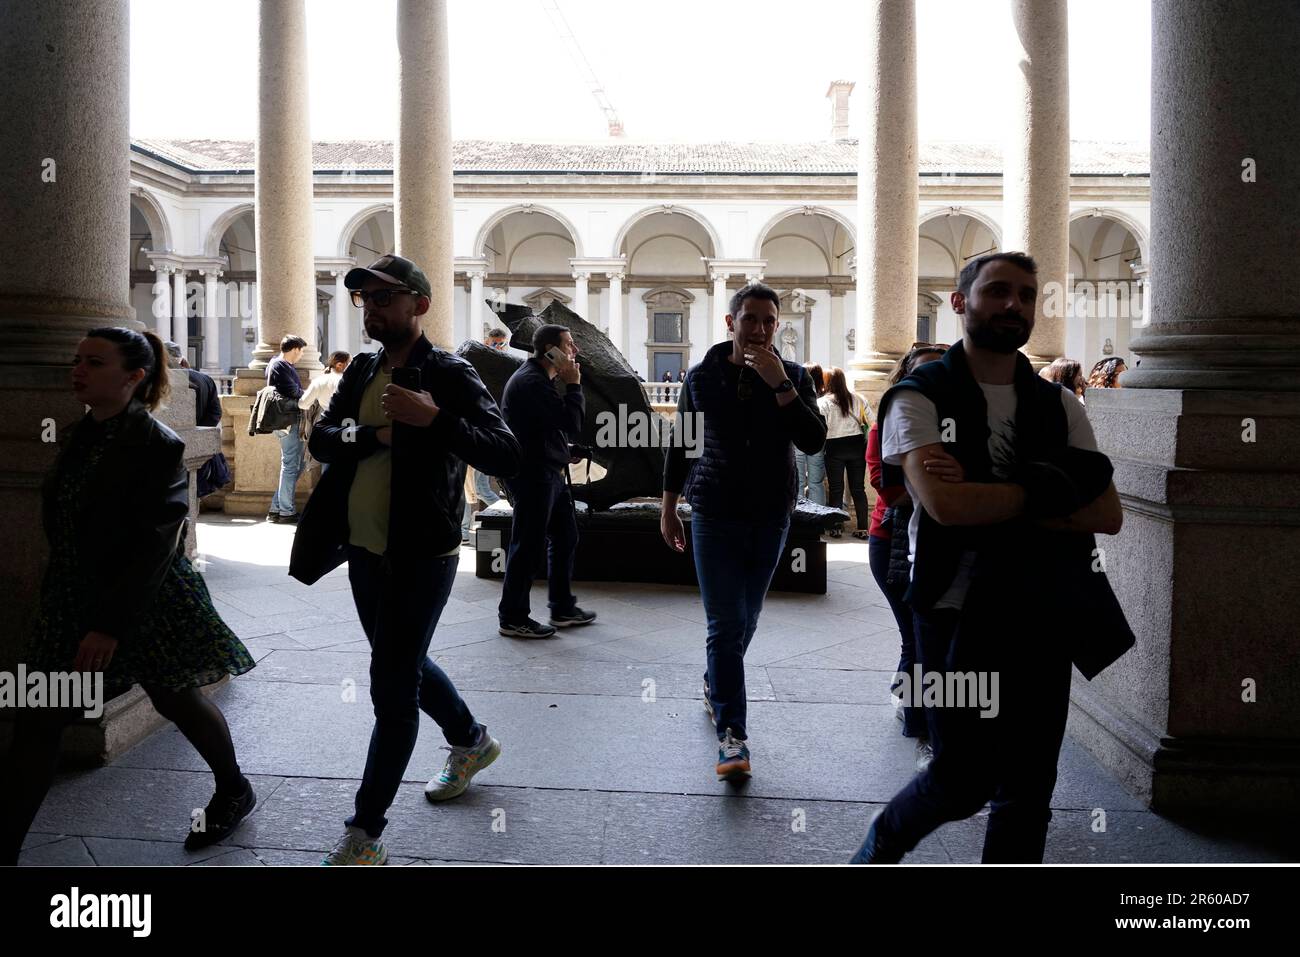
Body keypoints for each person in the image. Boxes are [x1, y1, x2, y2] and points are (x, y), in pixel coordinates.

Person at [851, 252, 1122, 865]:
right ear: (958, 302)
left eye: (1026, 295)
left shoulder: (1060, 405)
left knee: (1029, 790)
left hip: (1043, 612)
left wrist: (988, 490)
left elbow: (1107, 513)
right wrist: (1047, 488)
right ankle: (881, 843)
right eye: (998, 291)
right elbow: (946, 506)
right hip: (953, 612)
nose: (1014, 306)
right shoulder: (915, 396)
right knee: (962, 778)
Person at [289, 254, 522, 866]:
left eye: (385, 298)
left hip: (424, 552)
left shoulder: (449, 372)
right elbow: (321, 437)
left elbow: (506, 452)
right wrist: (379, 436)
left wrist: (436, 419)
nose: (372, 308)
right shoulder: (362, 369)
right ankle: (470, 740)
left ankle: (364, 835)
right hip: (363, 550)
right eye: (365, 299)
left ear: (419, 305)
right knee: (402, 661)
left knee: (391, 689)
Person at [1, 327, 256, 865]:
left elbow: (155, 545)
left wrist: (110, 625)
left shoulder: (157, 444)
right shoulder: (77, 432)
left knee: (175, 697)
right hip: (74, 597)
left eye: (93, 362)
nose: (77, 370)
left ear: (134, 376)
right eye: (77, 359)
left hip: (145, 602)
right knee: (39, 715)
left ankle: (233, 788)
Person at [661, 282, 827, 782]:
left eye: (768, 321)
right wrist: (669, 507)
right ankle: (733, 735)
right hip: (713, 510)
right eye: (749, 319)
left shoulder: (794, 375)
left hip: (771, 513)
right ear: (730, 322)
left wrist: (782, 385)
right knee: (726, 625)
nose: (758, 329)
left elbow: (813, 438)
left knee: (747, 617)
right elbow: (682, 444)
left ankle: (716, 684)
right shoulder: (702, 375)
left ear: (777, 326)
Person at [866, 344, 953, 771]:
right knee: (916, 637)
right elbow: (891, 489)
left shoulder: (957, 425)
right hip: (892, 543)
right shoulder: (888, 423)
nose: (931, 383)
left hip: (941, 541)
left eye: (940, 374)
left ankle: (909, 701)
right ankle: (922, 732)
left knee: (925, 640)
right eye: (922, 374)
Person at [496, 324, 597, 638]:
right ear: (551, 350)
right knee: (527, 545)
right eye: (569, 344)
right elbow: (570, 421)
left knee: (565, 536)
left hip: (547, 471)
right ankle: (512, 616)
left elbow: (540, 428)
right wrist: (575, 385)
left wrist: (563, 451)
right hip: (533, 476)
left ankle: (562, 607)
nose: (574, 351)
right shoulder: (532, 382)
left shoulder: (537, 379)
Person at [164, 341, 230, 497]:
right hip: (197, 444)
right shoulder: (205, 379)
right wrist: (199, 430)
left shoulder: (164, 381)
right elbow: (215, 412)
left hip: (171, 444)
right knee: (194, 493)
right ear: (180, 358)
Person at [819, 367, 873, 539]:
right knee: (858, 489)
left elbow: (821, 428)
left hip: (834, 447)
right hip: (857, 446)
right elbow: (872, 422)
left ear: (827, 382)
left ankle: (836, 527)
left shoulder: (823, 402)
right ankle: (863, 528)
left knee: (836, 489)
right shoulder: (859, 399)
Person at [266, 335, 307, 524]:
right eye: (302, 351)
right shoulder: (281, 365)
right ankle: (286, 511)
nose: (302, 355)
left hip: (285, 420)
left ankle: (277, 508)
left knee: (295, 465)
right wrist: (309, 394)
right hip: (287, 420)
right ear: (296, 349)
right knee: (291, 465)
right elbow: (293, 391)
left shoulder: (277, 363)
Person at [794, 363, 828, 505]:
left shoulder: (798, 390)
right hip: (817, 440)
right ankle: (818, 516)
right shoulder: (824, 395)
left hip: (798, 439)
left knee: (800, 481)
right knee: (816, 482)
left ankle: (800, 514)